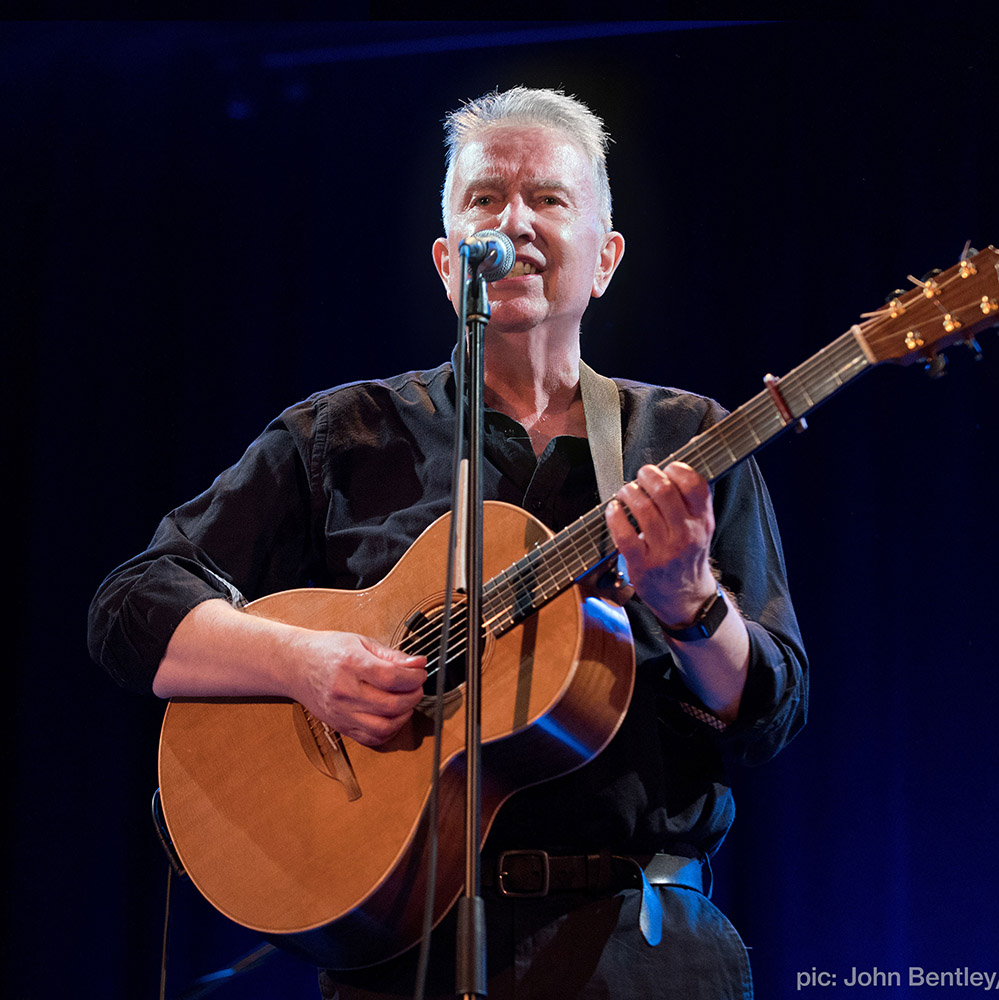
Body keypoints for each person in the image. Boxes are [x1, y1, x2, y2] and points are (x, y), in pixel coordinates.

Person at [88, 86, 807, 999]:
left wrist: (689, 604)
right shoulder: (344, 436)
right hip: (403, 952)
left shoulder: (687, 443)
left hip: (642, 953)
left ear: (605, 259)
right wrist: (309, 664)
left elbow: (770, 716)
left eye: (549, 198)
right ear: (445, 261)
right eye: (484, 199)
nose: (515, 219)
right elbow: (133, 609)